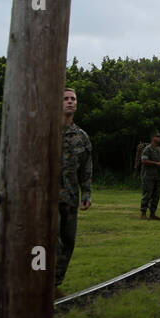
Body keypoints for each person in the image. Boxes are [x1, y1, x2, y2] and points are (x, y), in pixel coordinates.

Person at [57, 88, 92, 292]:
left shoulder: (82, 137)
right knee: (52, 242)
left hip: (70, 198)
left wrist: (86, 193)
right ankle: (43, 281)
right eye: (65, 99)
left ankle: (55, 282)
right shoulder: (48, 130)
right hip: (48, 198)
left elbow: (86, 168)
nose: (70, 102)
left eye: (73, 99)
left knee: (69, 241)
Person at [139, 131, 160, 220]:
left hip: (158, 176)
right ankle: (143, 213)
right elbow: (143, 161)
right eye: (157, 136)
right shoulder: (147, 149)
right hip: (148, 176)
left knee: (156, 195)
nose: (159, 138)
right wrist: (156, 163)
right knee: (147, 194)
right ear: (152, 138)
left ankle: (152, 213)